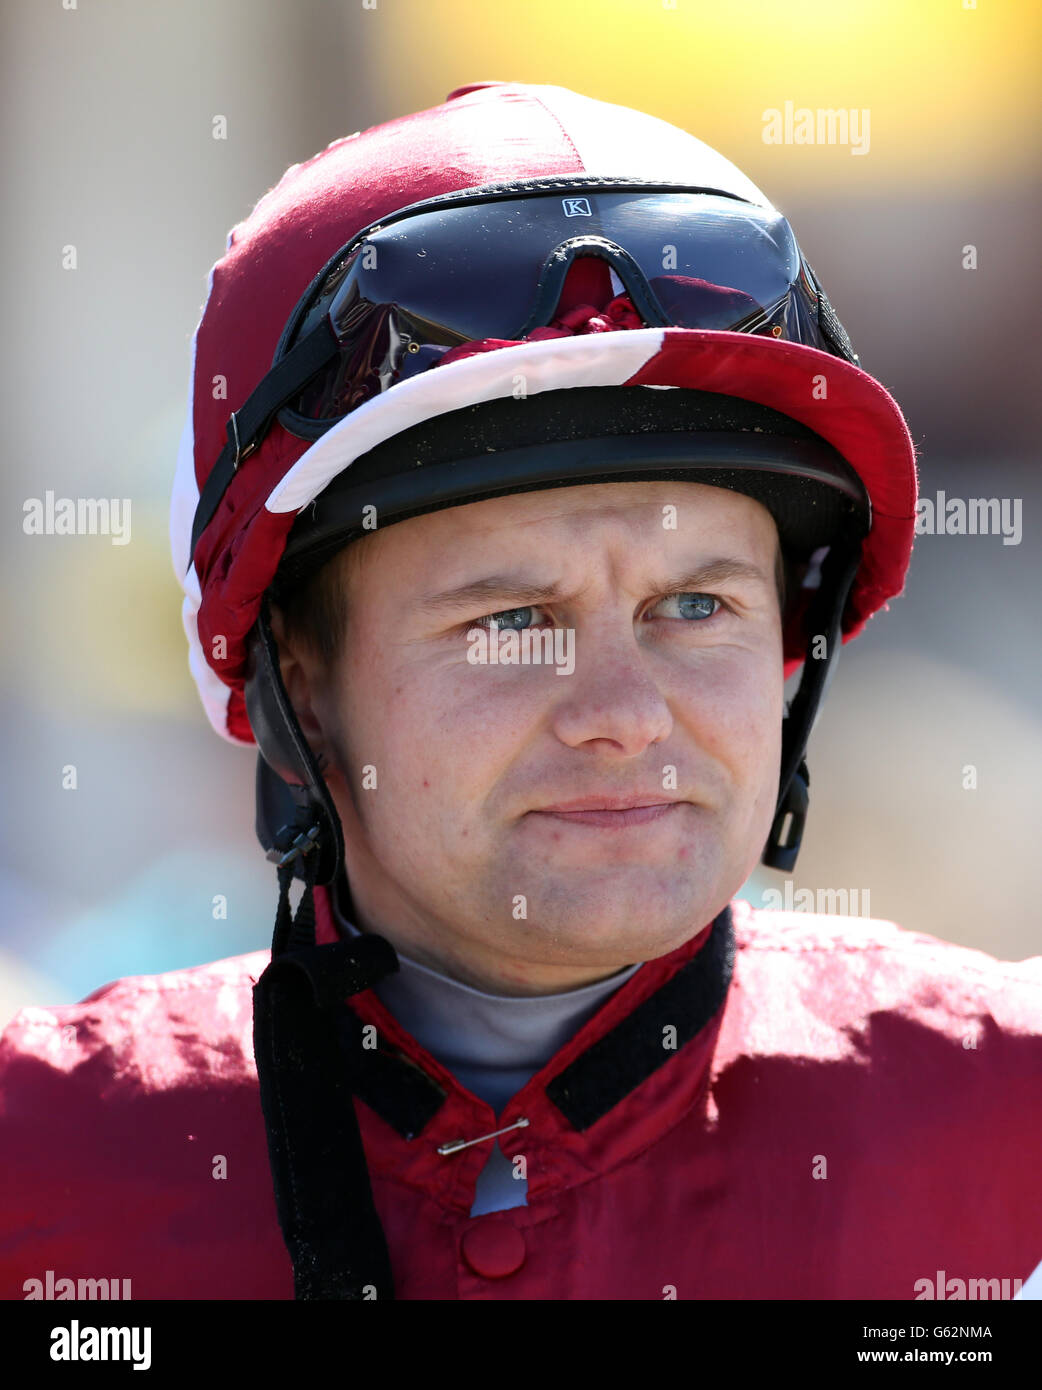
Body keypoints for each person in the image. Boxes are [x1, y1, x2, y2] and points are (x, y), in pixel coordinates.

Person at [2, 81, 1040, 1302]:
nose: (627, 711)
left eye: (695, 605)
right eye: (512, 621)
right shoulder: (37, 1176)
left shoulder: (1011, 1129)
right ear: (301, 682)